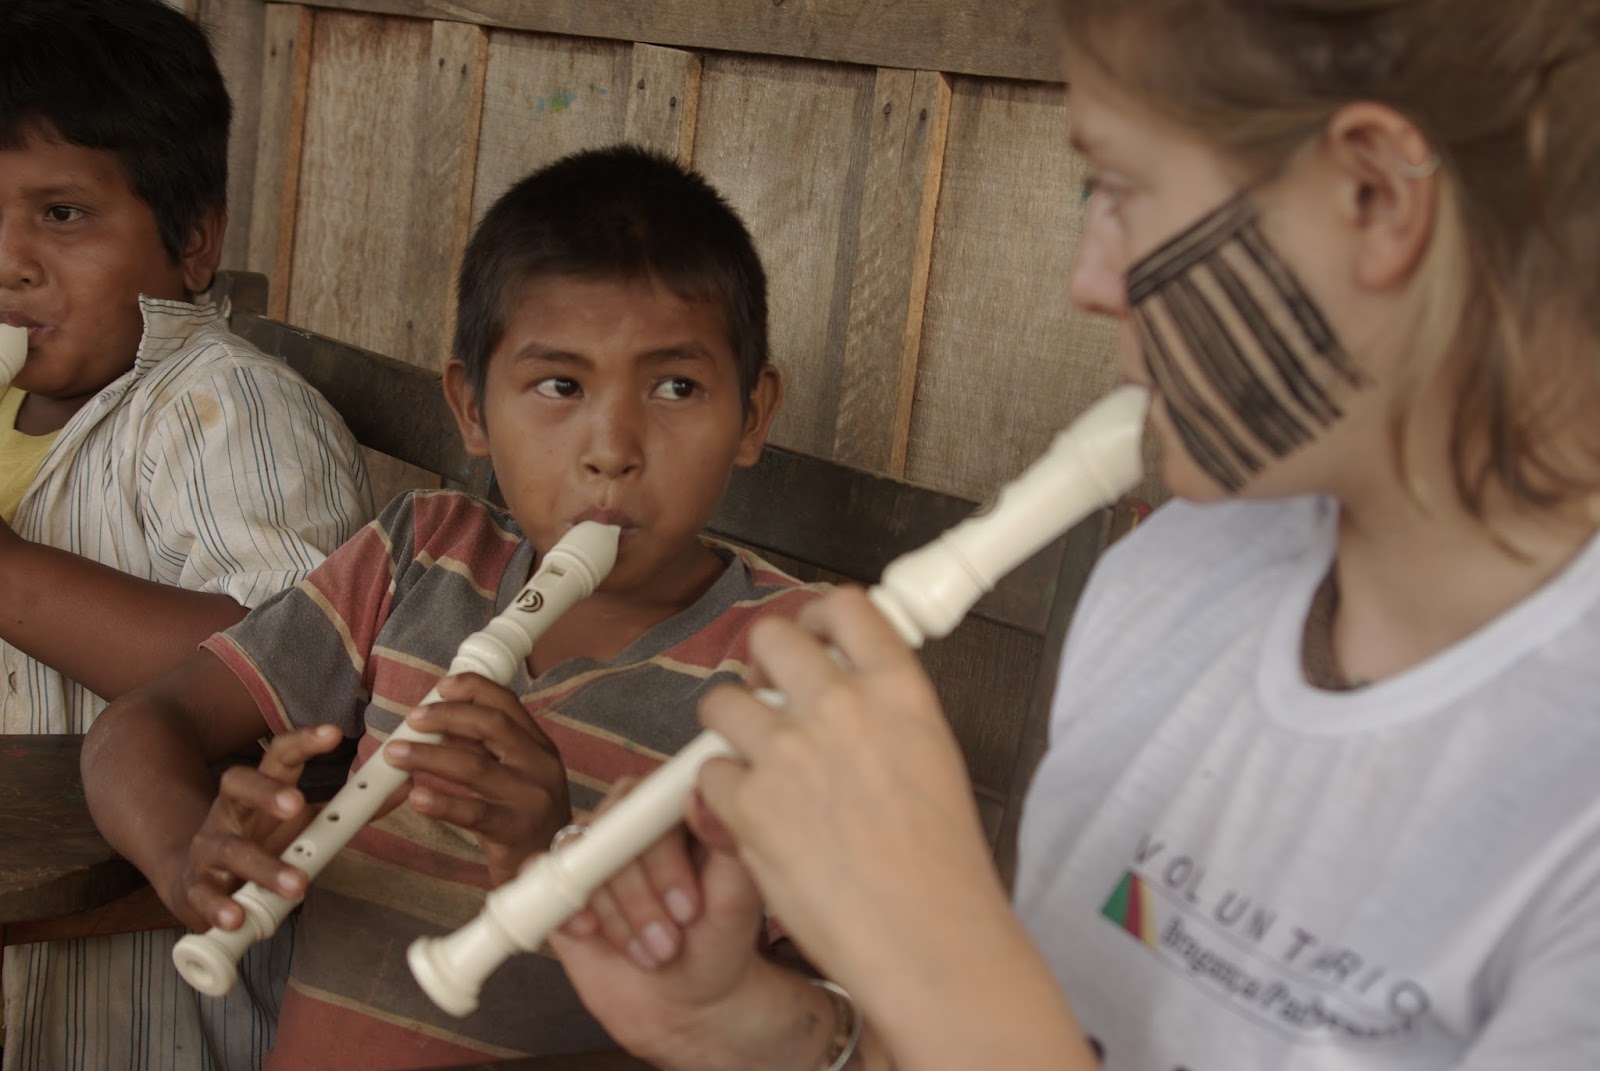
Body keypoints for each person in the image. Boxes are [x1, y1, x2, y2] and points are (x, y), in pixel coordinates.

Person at [542, 2, 1600, 1069]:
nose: (1087, 283)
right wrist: (777, 1031)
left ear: (1371, 195)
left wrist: (935, 951)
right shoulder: (1175, 579)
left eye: (1120, 193)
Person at [82, 144, 827, 1069]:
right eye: (559, 385)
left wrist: (553, 863)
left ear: (752, 415)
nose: (612, 449)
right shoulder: (423, 556)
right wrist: (187, 857)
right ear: (471, 407)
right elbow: (135, 727)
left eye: (676, 386)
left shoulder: (797, 660)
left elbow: (821, 1021)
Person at [0, 1, 373, 1068]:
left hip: (145, 1015)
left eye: (61, 215)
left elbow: (294, 664)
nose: (10, 263)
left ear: (194, 240)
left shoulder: (224, 412)